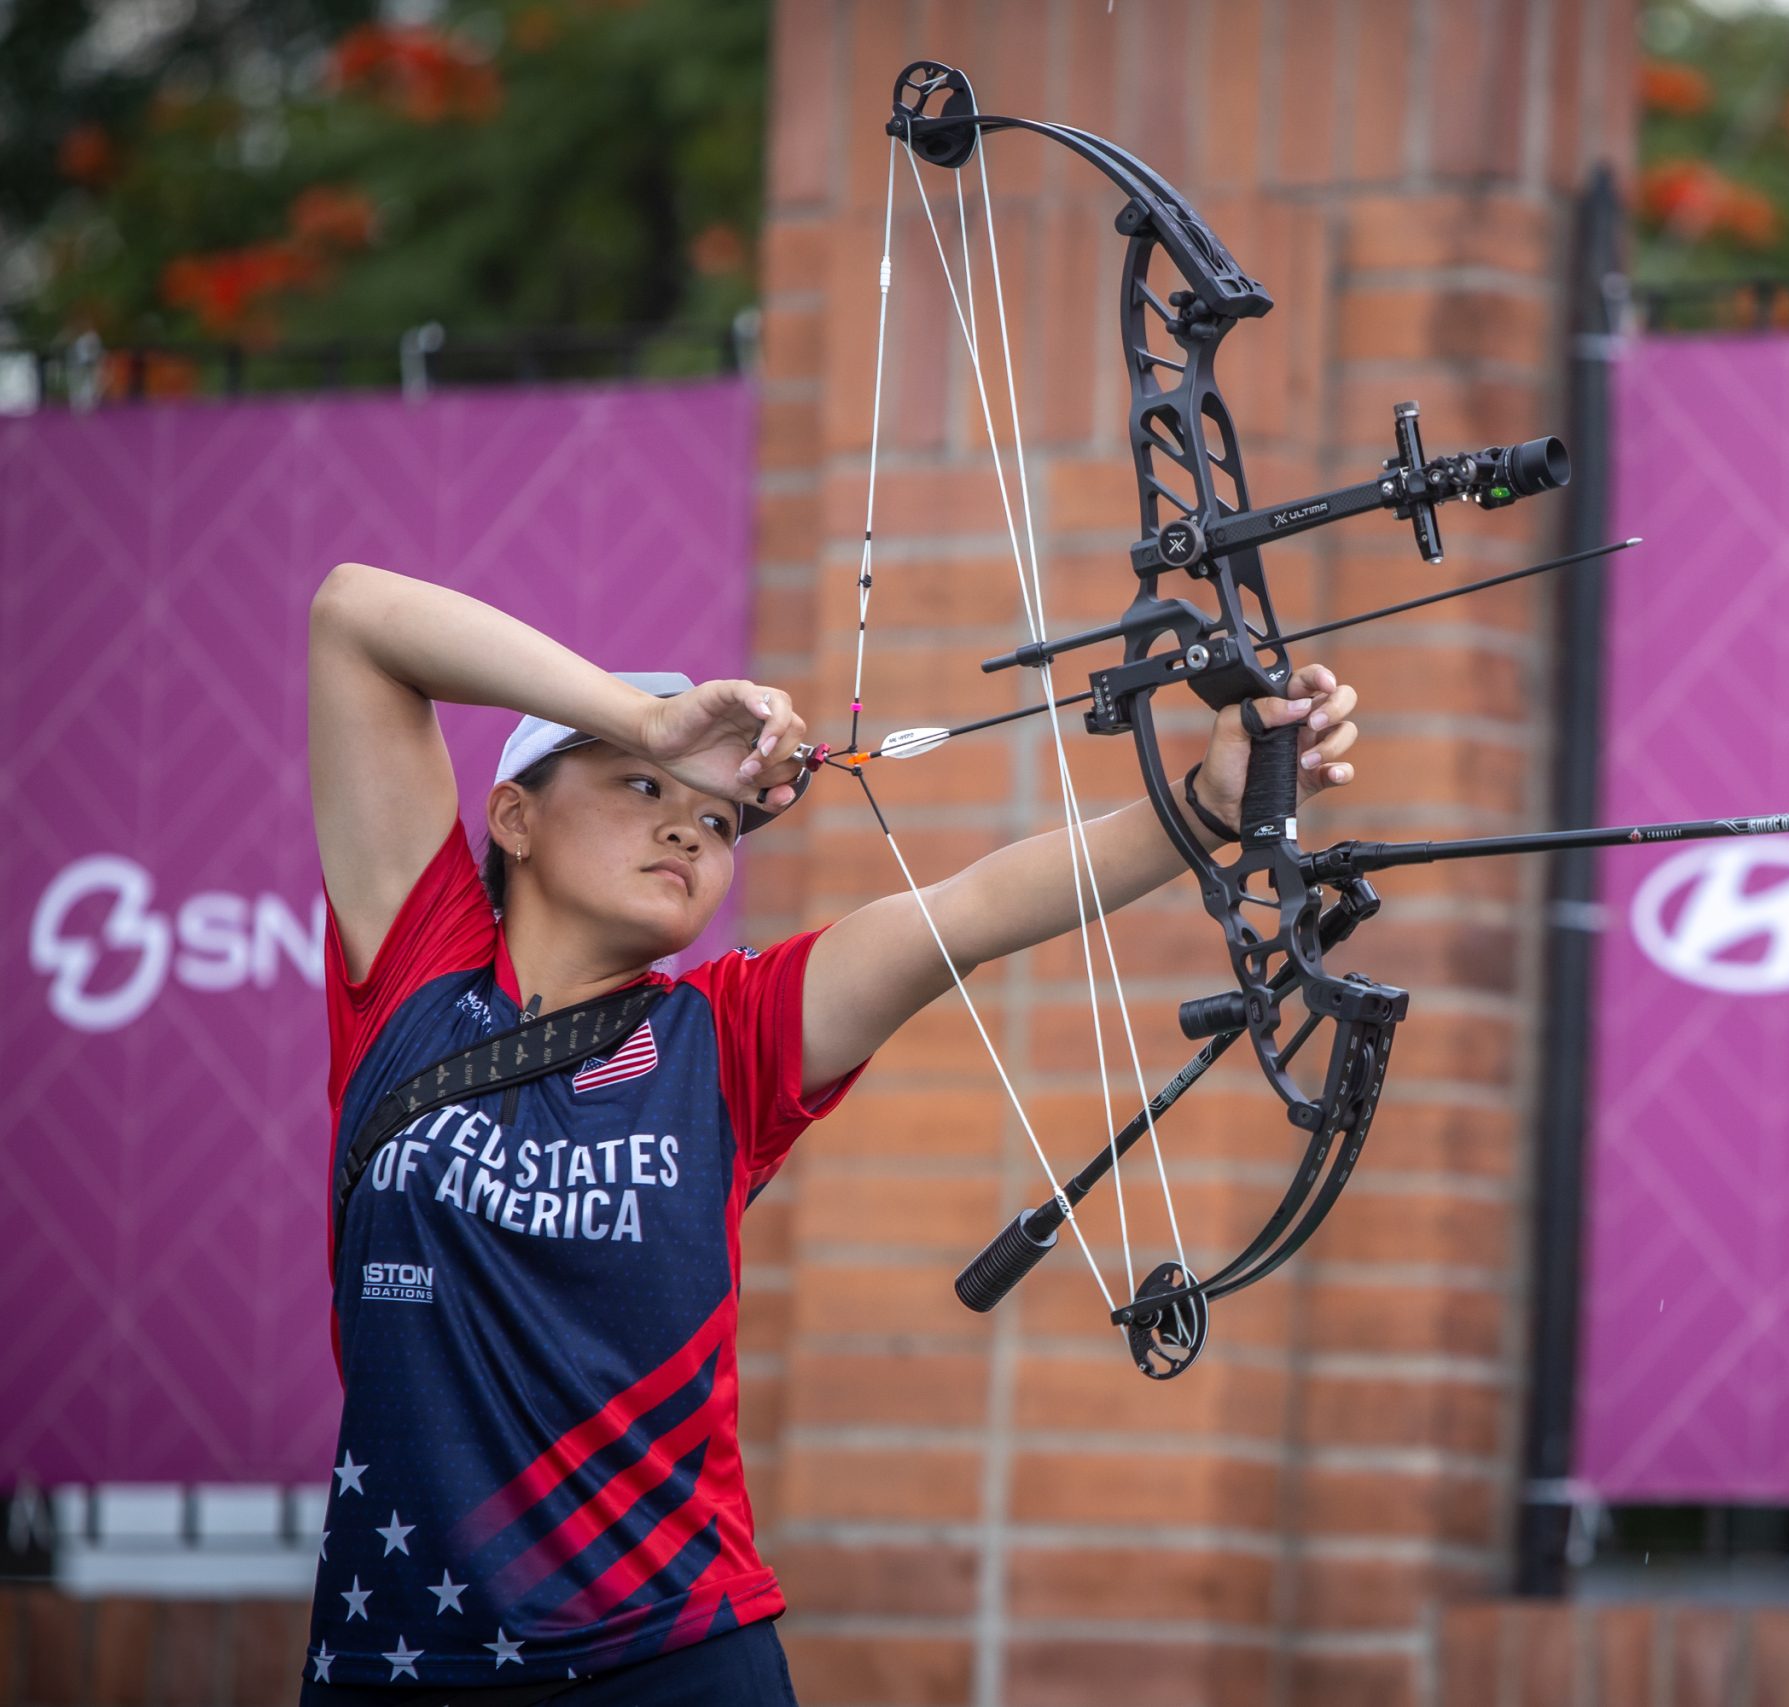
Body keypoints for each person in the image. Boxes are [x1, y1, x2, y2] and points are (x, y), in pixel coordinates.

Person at [300, 561, 1360, 1701]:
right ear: (512, 816)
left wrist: (1205, 802)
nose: (692, 834)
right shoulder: (414, 978)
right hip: (398, 1651)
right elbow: (355, 616)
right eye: (642, 790)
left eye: (718, 818)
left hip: (674, 1650)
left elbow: (968, 910)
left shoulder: (730, 1040)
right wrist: (651, 715)